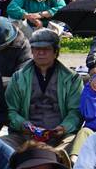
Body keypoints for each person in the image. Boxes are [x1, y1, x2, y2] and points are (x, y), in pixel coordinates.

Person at [5, 28, 85, 160]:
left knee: (76, 141)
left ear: (56, 52)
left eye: (46, 49)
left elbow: (76, 112)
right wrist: (23, 125)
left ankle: (54, 157)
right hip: (25, 136)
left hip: (60, 137)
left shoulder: (72, 79)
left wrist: (63, 128)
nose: (41, 53)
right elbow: (10, 110)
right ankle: (52, 158)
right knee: (3, 143)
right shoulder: (18, 78)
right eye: (36, 49)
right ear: (32, 51)